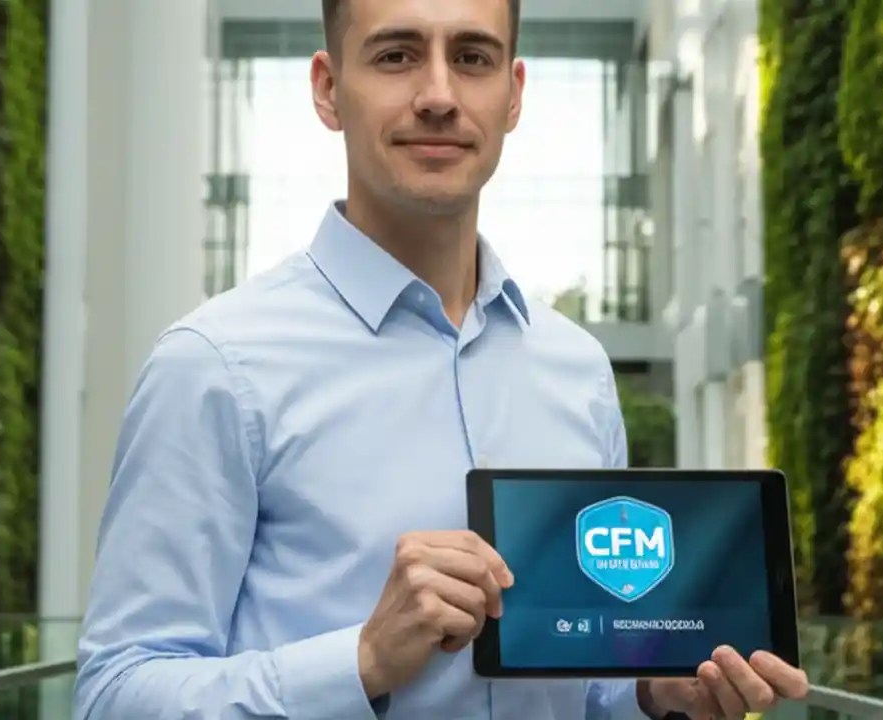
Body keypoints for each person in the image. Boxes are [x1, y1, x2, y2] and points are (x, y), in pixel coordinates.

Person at [73, 0, 810, 717]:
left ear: (512, 94)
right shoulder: (213, 367)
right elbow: (114, 694)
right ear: (328, 90)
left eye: (471, 57)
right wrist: (360, 663)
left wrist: (654, 694)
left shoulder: (576, 371)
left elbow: (583, 687)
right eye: (396, 56)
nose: (437, 95)